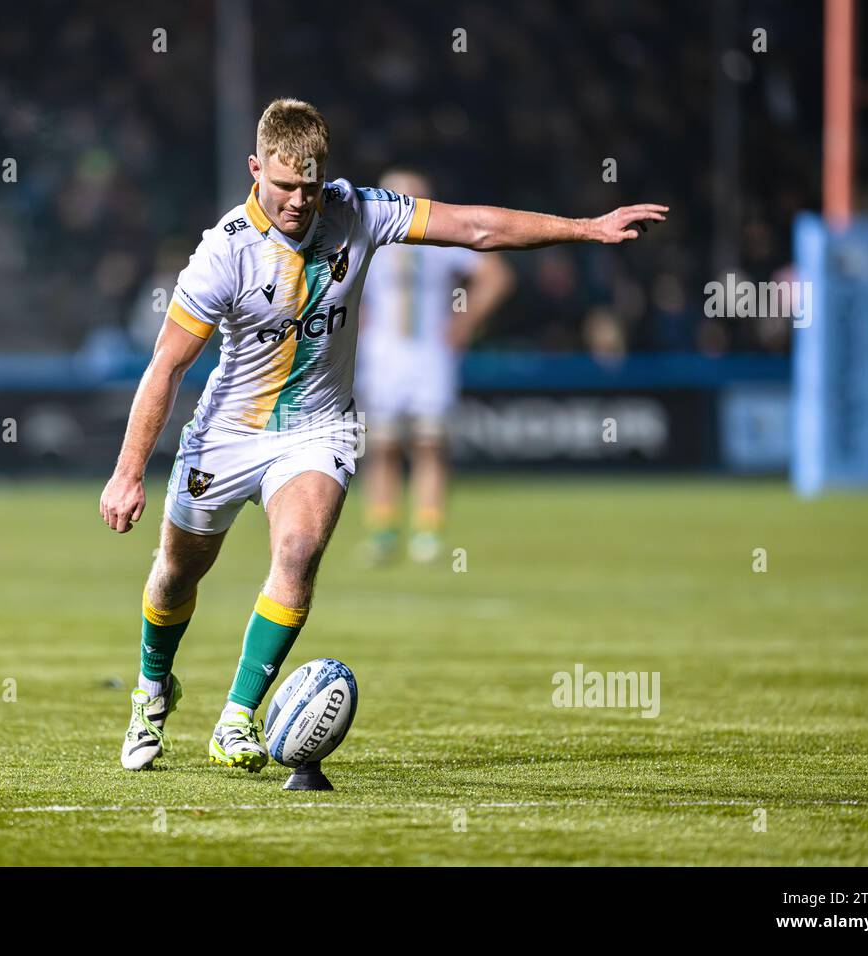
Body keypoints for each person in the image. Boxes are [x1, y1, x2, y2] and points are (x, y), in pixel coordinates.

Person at [99, 98, 667, 771]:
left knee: (300, 548)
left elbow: (476, 229)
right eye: (283, 186)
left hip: (318, 427)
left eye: (310, 188)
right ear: (256, 171)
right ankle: (151, 690)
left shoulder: (358, 210)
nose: (298, 202)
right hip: (227, 433)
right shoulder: (223, 254)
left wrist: (586, 228)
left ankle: (237, 718)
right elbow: (166, 366)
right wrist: (129, 470)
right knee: (175, 575)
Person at [356, 168, 516, 564]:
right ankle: (383, 531)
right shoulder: (367, 239)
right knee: (382, 447)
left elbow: (496, 275)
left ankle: (427, 532)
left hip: (429, 356)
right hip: (381, 357)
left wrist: (464, 322)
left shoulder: (441, 239)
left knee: (429, 445)